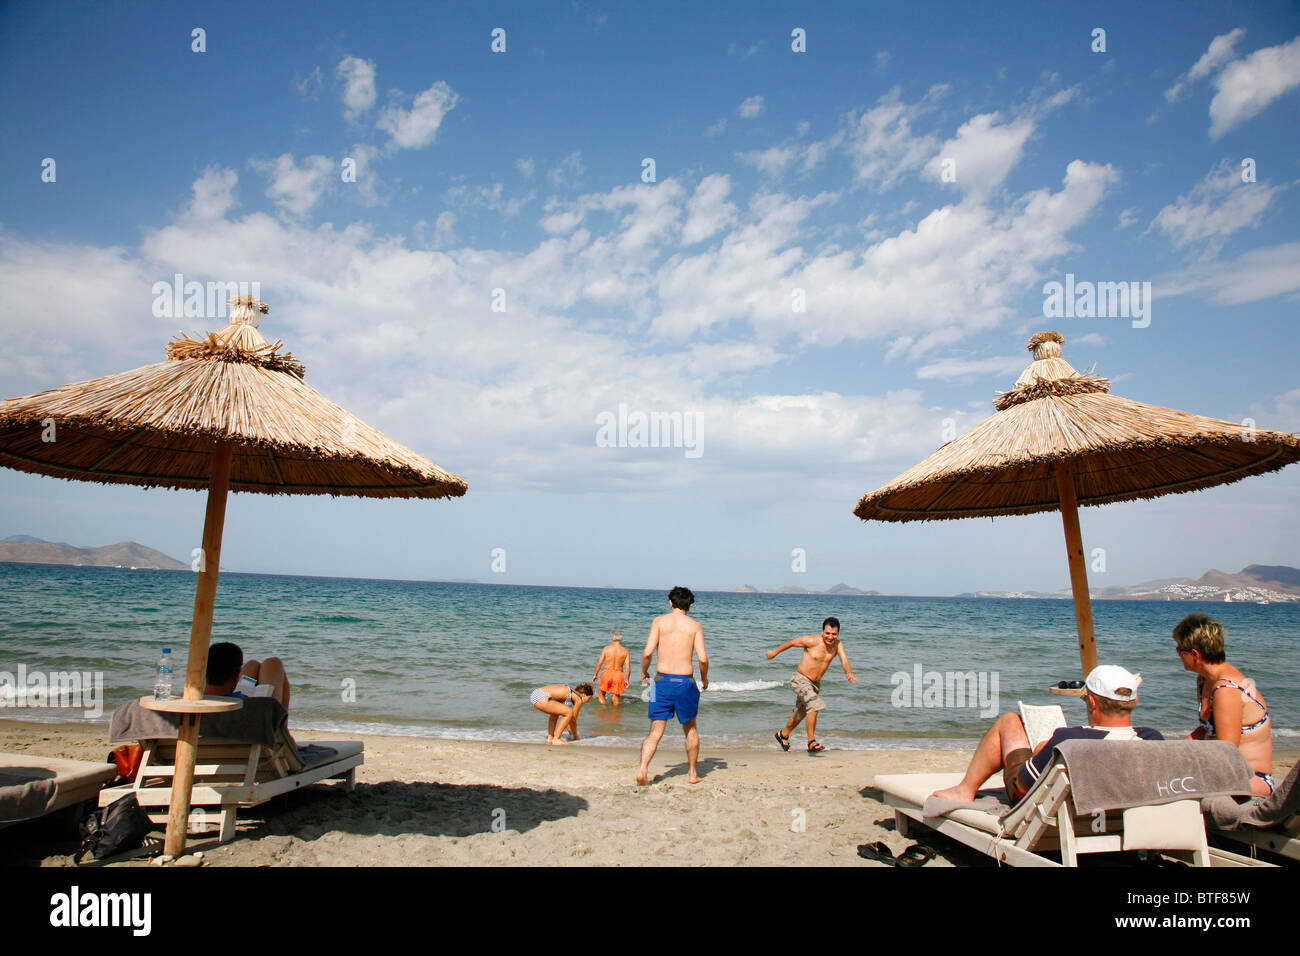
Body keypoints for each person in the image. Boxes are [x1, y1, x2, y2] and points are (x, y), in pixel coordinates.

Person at [930, 665, 1161, 804]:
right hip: (1116, 813)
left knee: (1010, 721)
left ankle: (965, 790)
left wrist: (1041, 751)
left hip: (1060, 809)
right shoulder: (1151, 739)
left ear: (1091, 702)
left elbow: (1022, 785)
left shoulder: (1069, 741)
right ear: (1135, 701)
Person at [1174, 613, 1274, 797]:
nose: (1178, 654)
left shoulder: (1226, 689)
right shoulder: (1205, 680)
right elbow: (1206, 731)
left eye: (1179, 650)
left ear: (1194, 654)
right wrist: (1171, 753)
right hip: (1226, 772)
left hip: (1249, 779)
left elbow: (1227, 751)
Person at [636, 586, 709, 785]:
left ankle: (642, 770)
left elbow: (647, 653)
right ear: (690, 606)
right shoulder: (695, 626)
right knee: (691, 729)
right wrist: (705, 679)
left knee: (655, 731)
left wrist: (644, 671)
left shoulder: (659, 622)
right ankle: (693, 774)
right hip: (685, 682)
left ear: (670, 603)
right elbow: (702, 659)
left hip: (661, 682)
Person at [766, 617, 857, 753]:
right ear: (822, 632)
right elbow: (791, 643)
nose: (830, 637)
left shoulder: (838, 645)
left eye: (834, 634)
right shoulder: (812, 641)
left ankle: (783, 735)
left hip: (815, 685)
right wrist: (774, 653)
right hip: (801, 680)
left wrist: (849, 672)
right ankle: (811, 742)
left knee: (800, 714)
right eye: (827, 633)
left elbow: (844, 659)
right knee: (814, 705)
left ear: (837, 634)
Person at [204, 641, 291, 712]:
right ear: (237, 676)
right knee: (274, 663)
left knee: (252, 665)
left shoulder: (194, 702)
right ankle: (284, 729)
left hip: (224, 703)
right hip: (250, 712)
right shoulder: (246, 707)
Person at [529, 683, 594, 745]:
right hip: (541, 696)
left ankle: (550, 738)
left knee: (555, 714)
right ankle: (556, 738)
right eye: (589, 698)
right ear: (584, 695)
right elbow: (573, 720)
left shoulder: (570, 694)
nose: (588, 701)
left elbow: (570, 722)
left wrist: (572, 733)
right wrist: (576, 736)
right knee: (569, 712)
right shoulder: (578, 699)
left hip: (536, 694)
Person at [592, 631, 631, 705]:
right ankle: (615, 713)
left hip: (607, 673)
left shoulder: (606, 649)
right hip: (618, 674)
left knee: (601, 693)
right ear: (621, 640)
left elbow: (600, 663)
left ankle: (603, 709)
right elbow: (628, 667)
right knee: (616, 696)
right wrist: (627, 679)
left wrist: (595, 674)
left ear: (612, 639)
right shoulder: (626, 651)